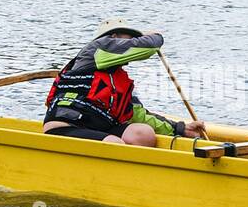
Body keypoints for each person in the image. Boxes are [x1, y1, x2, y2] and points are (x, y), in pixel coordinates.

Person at [43, 19, 205, 146]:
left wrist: (180, 128)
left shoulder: (119, 80)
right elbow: (149, 45)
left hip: (98, 130)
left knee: (143, 134)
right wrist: (154, 36)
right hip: (65, 127)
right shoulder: (98, 49)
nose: (133, 40)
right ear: (113, 37)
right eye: (130, 37)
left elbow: (137, 115)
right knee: (114, 143)